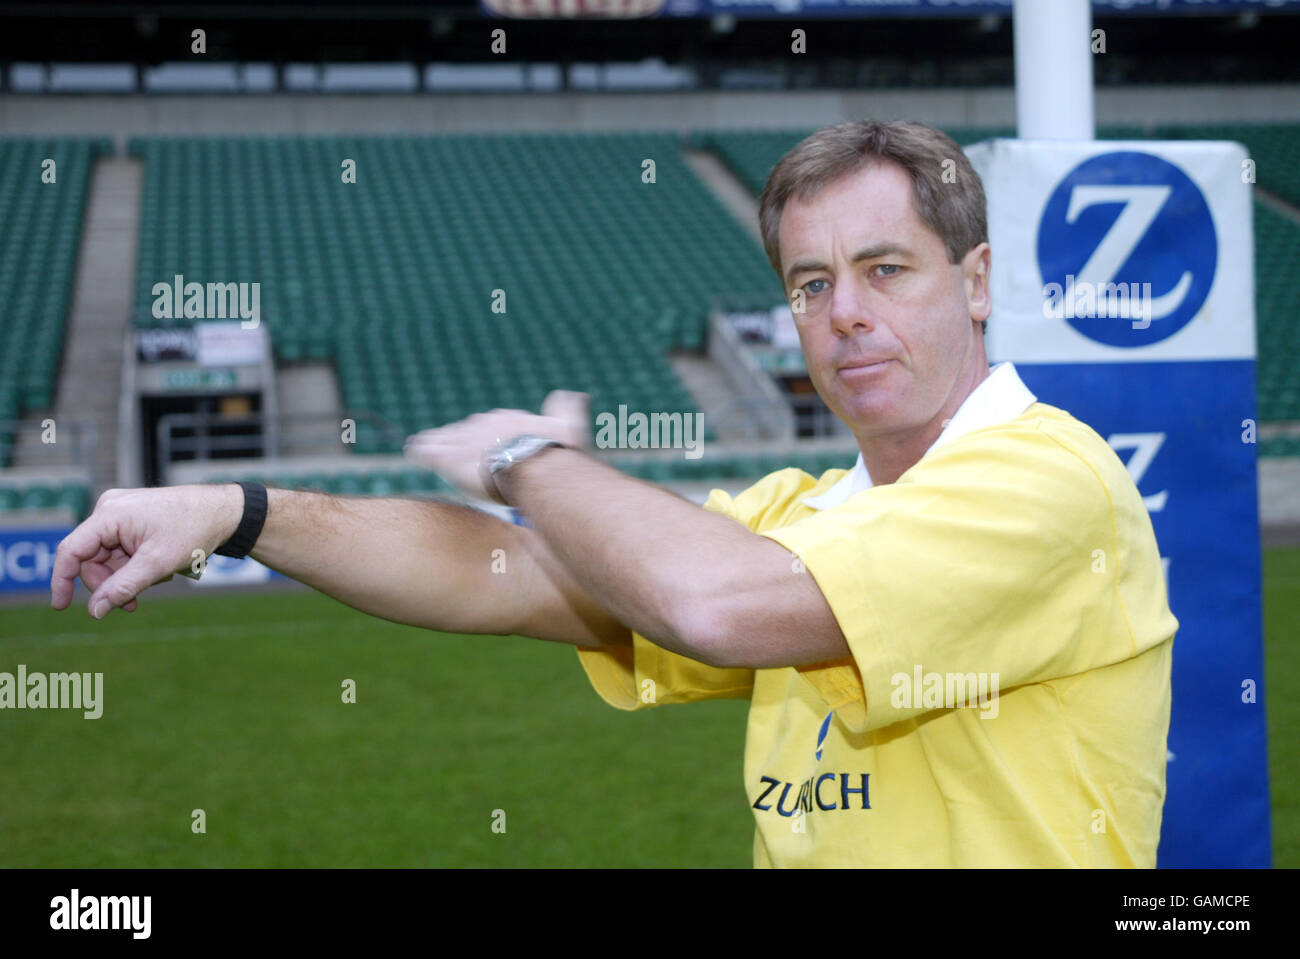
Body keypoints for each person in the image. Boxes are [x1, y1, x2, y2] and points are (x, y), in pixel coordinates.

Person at [50, 119, 1176, 867]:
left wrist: (529, 457)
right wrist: (238, 512)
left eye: (887, 268)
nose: (844, 313)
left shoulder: (1045, 477)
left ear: (974, 282)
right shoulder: (802, 515)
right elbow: (504, 572)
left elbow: (717, 607)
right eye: (811, 282)